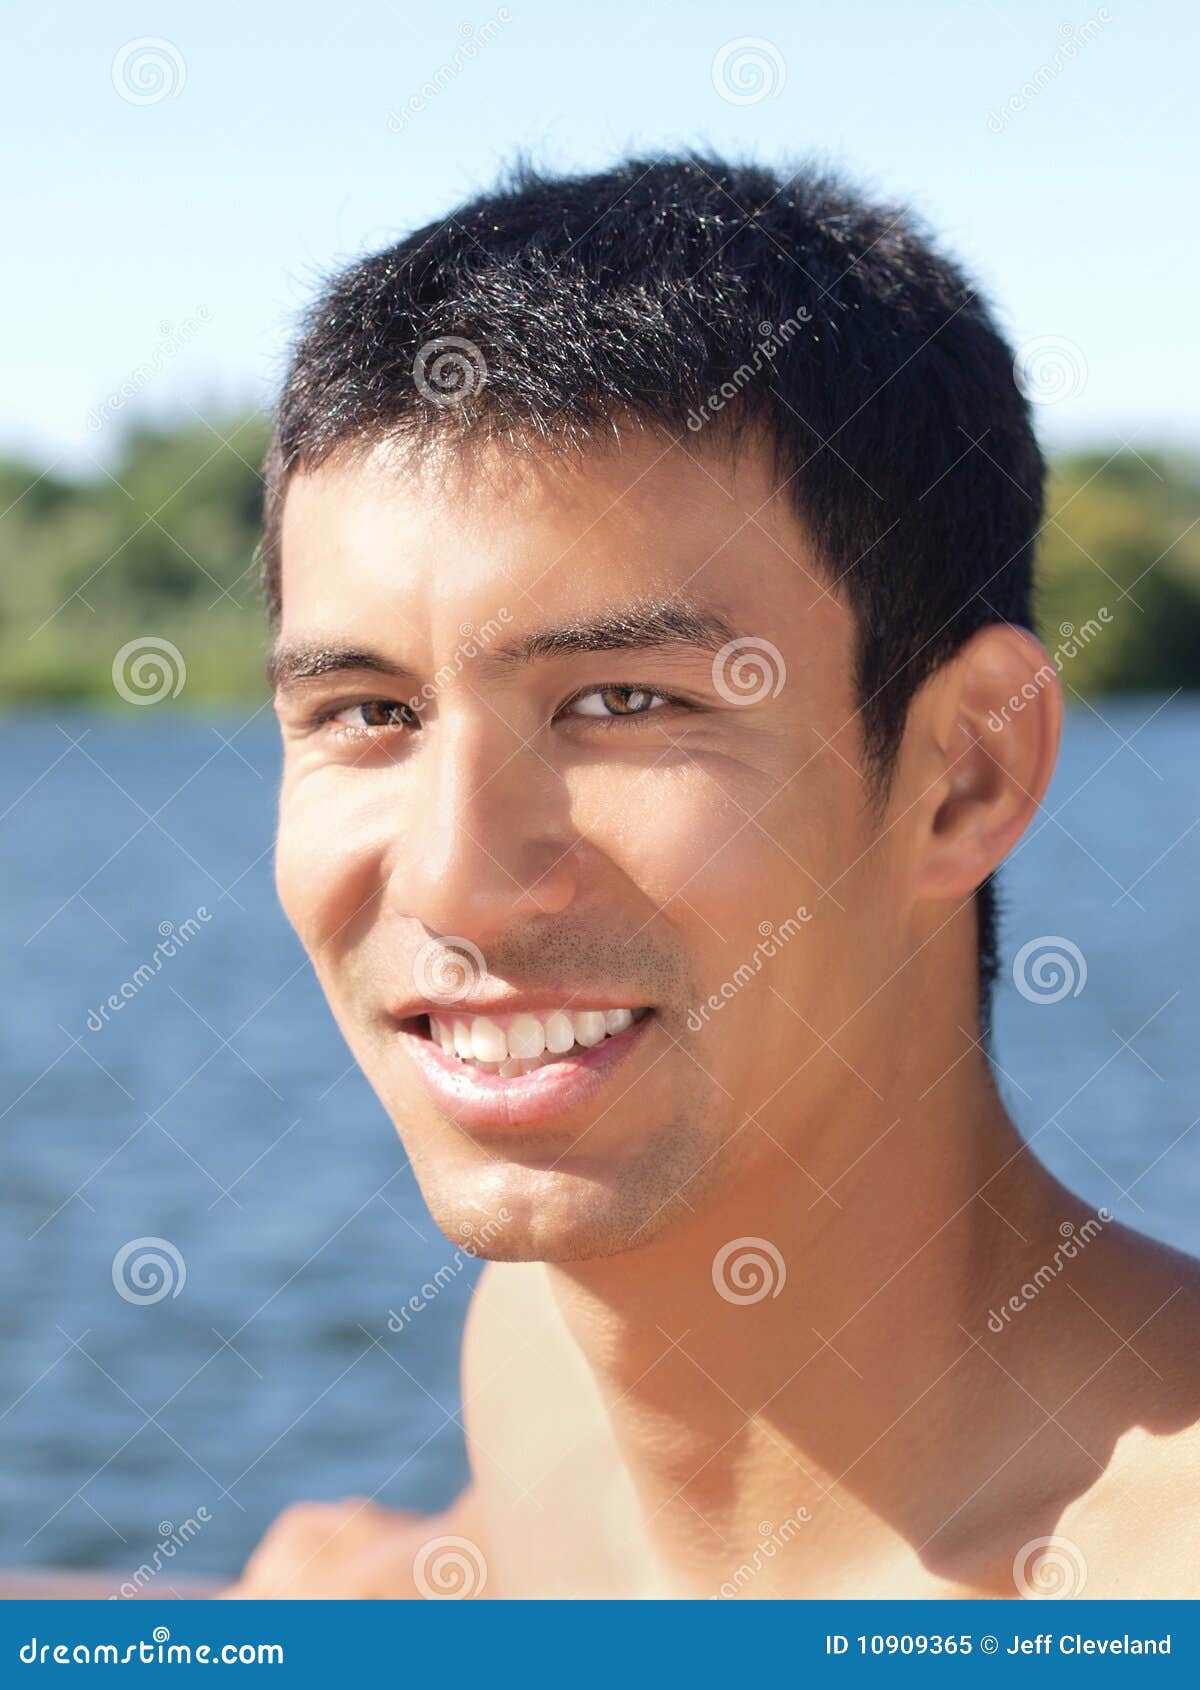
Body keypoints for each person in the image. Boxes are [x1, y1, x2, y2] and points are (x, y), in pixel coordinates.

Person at [224, 156, 1200, 1599]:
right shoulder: (544, 1352)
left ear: (967, 775)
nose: (453, 882)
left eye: (621, 701)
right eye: (371, 713)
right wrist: (387, 1578)